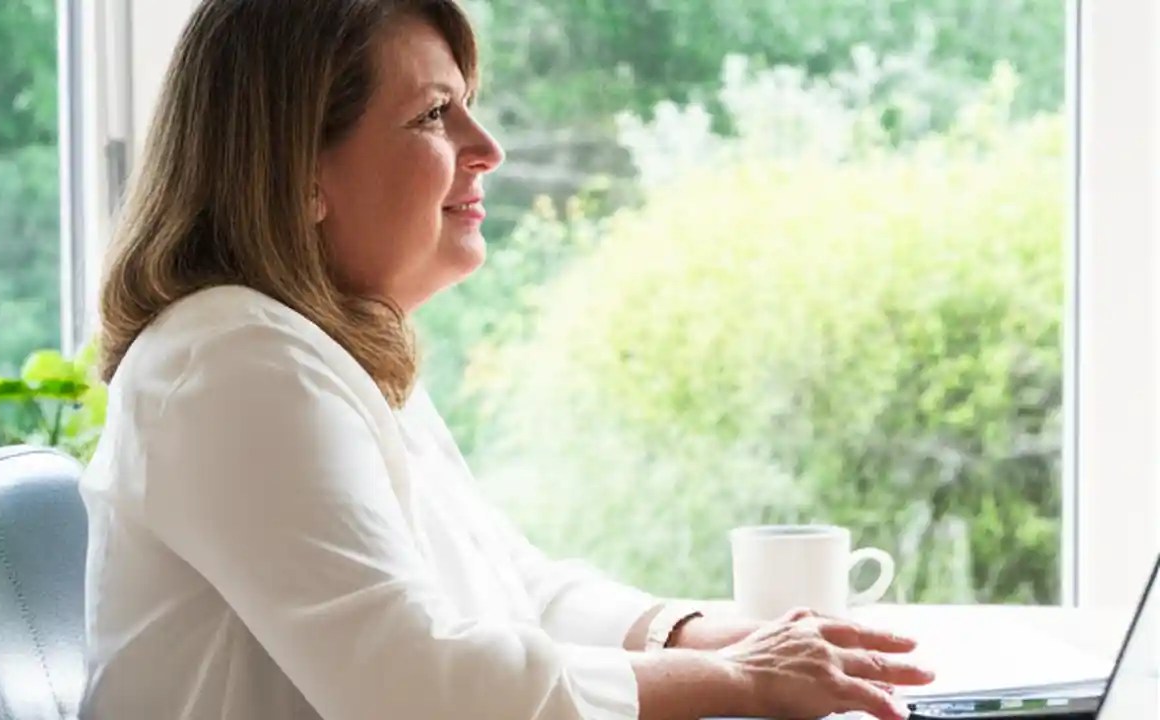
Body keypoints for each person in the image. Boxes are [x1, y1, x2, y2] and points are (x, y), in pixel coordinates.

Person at [79, 1, 935, 718]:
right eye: (433, 115)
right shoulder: (232, 363)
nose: (487, 147)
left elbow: (517, 590)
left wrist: (706, 634)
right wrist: (740, 679)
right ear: (299, 172)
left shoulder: (325, 344)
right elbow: (413, 684)